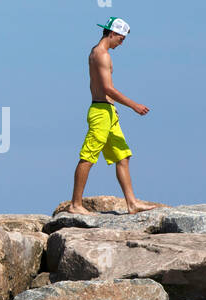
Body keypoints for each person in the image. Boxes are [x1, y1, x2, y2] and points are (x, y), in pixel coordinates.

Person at [65, 17, 159, 215]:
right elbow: (107, 87)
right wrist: (134, 105)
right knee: (88, 156)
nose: (122, 43)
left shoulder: (97, 51)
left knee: (123, 156)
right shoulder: (101, 55)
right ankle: (75, 204)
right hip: (100, 113)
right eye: (121, 39)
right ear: (113, 34)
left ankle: (132, 203)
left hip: (108, 112)